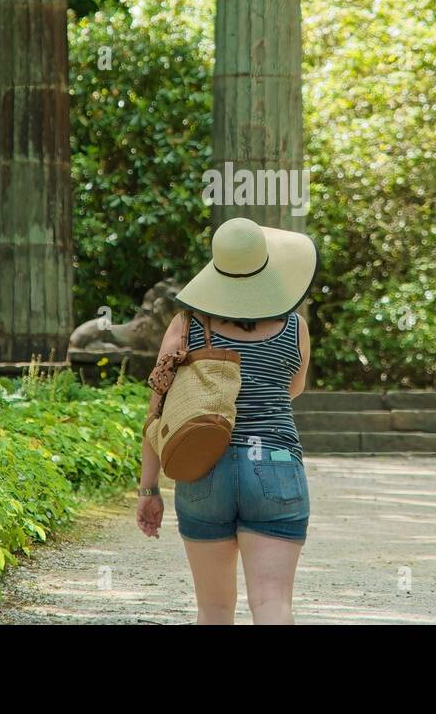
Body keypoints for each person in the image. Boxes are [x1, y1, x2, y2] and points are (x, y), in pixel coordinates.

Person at [136, 216, 317, 624]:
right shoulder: (295, 327)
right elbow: (292, 389)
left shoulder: (186, 326)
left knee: (214, 609)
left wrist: (149, 488)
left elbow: (158, 412)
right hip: (276, 466)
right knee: (273, 604)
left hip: (204, 467)